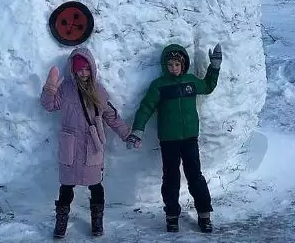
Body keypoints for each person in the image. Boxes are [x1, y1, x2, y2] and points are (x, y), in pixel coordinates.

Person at [126, 42, 222, 234]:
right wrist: (138, 129)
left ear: (183, 64)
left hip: (190, 139)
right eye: (169, 65)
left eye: (177, 65)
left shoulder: (191, 82)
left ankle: (204, 215)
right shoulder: (159, 85)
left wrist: (215, 67)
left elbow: (208, 86)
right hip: (169, 140)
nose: (173, 68)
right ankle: (171, 216)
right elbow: (146, 108)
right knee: (171, 178)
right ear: (165, 65)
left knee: (195, 176)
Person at [40, 47, 131, 238]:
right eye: (80, 69)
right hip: (70, 147)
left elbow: (111, 116)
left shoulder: (98, 90)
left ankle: (97, 221)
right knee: (66, 187)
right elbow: (49, 105)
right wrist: (49, 90)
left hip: (92, 145)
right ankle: (61, 222)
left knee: (96, 186)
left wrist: (126, 134)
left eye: (87, 69)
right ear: (73, 69)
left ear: (92, 69)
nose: (83, 73)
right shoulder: (65, 89)